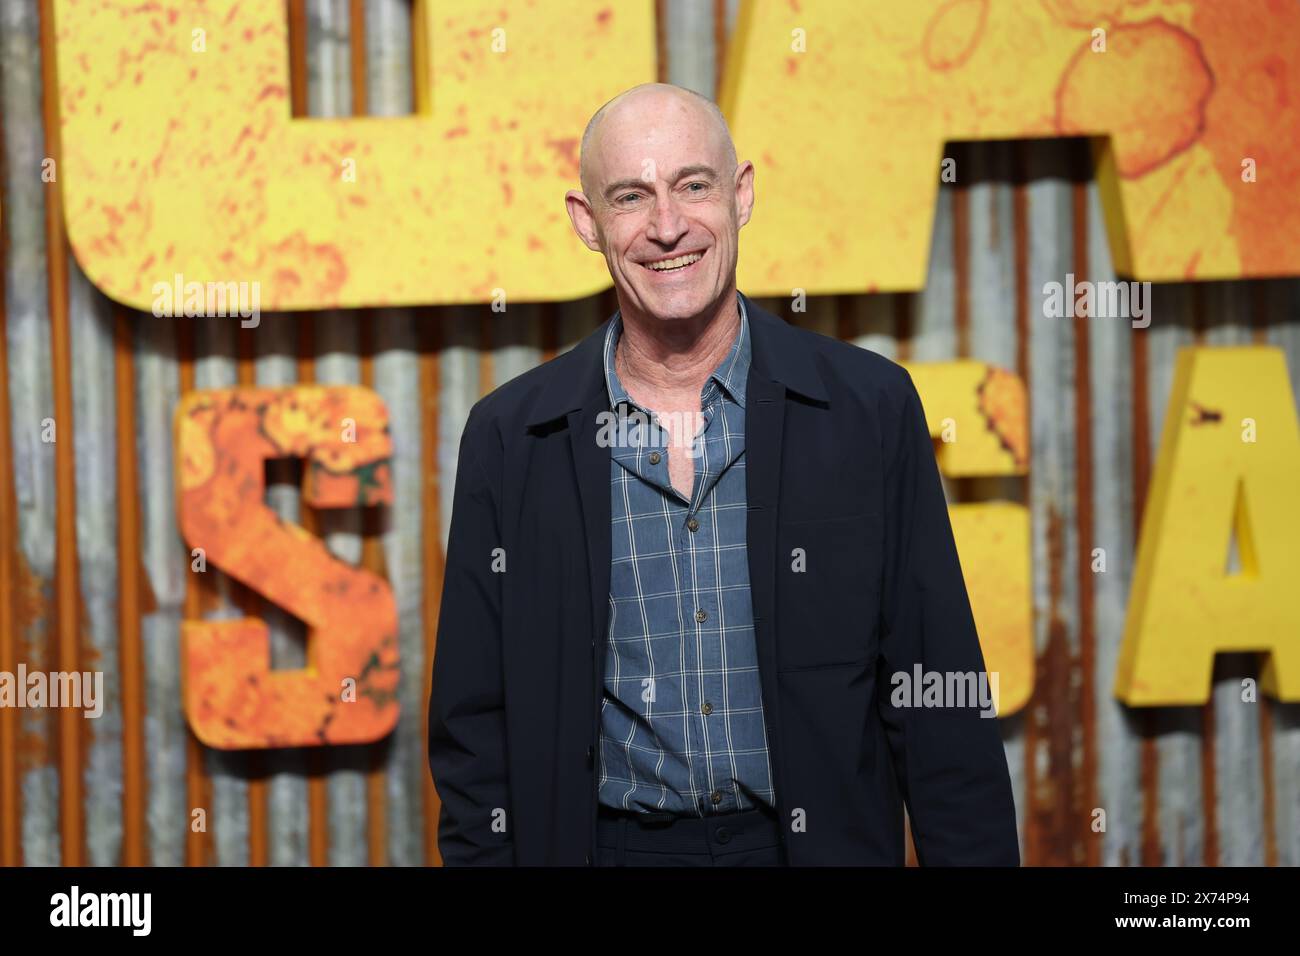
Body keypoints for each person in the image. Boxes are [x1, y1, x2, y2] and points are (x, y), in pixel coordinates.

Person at [427, 82, 1019, 866]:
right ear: (587, 223)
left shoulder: (866, 409)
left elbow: (940, 707)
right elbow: (474, 735)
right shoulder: (512, 438)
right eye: (631, 197)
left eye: (693, 185)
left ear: (741, 195)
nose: (667, 226)